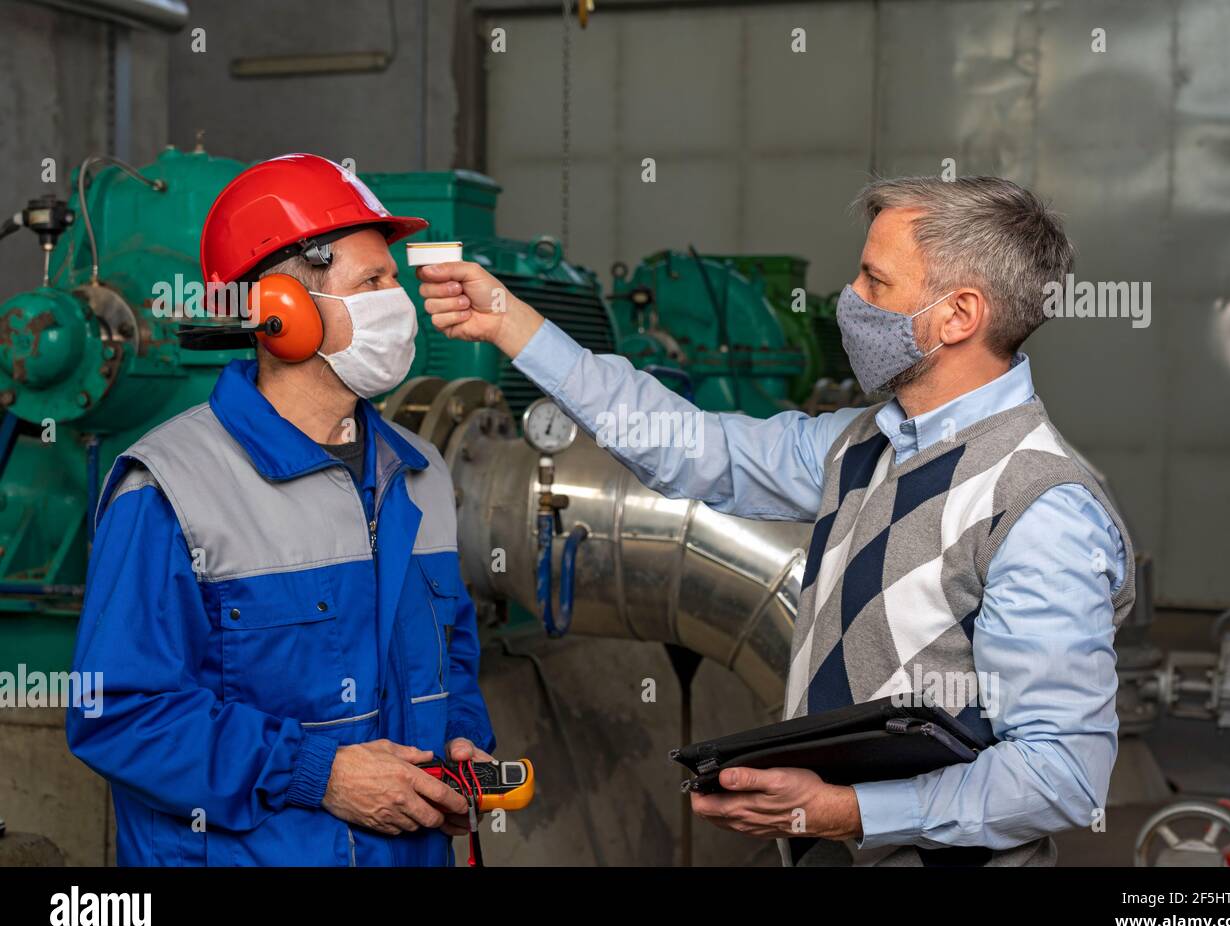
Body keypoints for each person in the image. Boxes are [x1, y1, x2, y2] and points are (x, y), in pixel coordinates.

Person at [419, 176, 1134, 866]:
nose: (848, 302)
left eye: (875, 283)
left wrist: (847, 811)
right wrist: (513, 326)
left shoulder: (1042, 507)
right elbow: (697, 450)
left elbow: (1060, 775)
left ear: (960, 314)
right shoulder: (863, 444)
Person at [67, 154, 494, 866]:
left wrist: (461, 742)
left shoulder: (418, 471)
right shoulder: (171, 485)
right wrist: (318, 774)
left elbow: (452, 657)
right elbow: (118, 712)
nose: (402, 304)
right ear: (283, 312)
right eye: (375, 283)